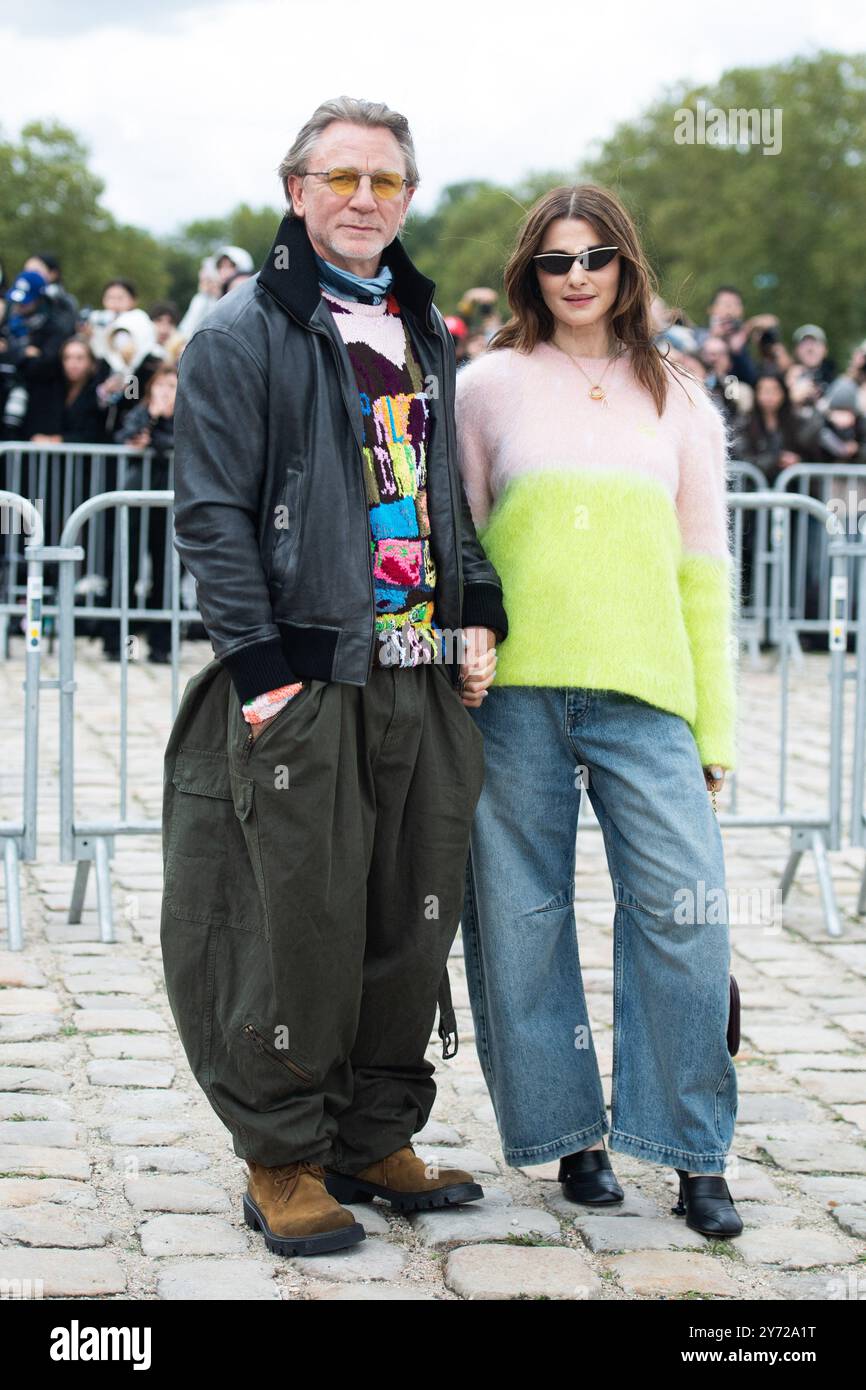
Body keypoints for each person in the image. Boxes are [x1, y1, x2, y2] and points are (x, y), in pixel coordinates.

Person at [160, 95, 509, 1258]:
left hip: (419, 680)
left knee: (408, 918)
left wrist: (476, 611)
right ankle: (282, 1155)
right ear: (295, 189)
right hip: (305, 679)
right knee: (294, 926)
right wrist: (262, 674)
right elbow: (210, 514)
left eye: (386, 182)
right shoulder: (239, 328)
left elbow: (441, 497)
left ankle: (371, 1134)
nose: (365, 200)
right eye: (342, 178)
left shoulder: (422, 326)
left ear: (408, 197)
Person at [454, 182, 743, 1239]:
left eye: (596, 256)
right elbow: (463, 550)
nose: (576, 276)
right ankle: (567, 1136)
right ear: (530, 272)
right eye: (554, 260)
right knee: (520, 922)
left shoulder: (678, 395)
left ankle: (691, 1151)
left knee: (682, 911)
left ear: (625, 265)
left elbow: (703, 571)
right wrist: (458, 652)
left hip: (645, 698)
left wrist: (713, 729)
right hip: (514, 696)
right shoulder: (484, 386)